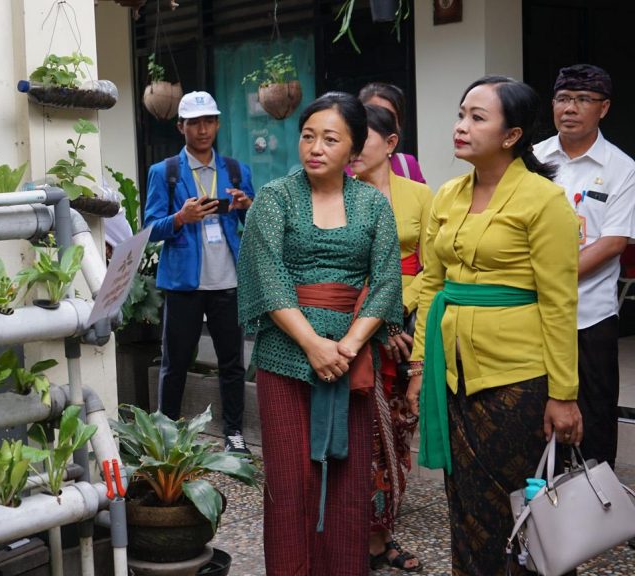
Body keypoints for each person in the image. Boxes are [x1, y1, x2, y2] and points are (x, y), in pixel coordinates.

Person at [406, 76, 582, 575]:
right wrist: (420, 363)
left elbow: (559, 303)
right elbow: (430, 286)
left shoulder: (544, 201)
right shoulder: (447, 195)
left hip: (518, 380)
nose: (461, 127)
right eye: (462, 114)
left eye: (477, 118)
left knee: (520, 503)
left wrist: (563, 394)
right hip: (454, 373)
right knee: (465, 501)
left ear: (511, 136)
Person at [237, 92, 402, 575]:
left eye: (330, 139)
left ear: (353, 149)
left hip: (350, 361)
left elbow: (387, 279)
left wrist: (349, 345)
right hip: (286, 357)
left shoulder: (372, 204)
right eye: (308, 136)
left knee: (350, 484)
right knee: (289, 485)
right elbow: (268, 277)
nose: (315, 147)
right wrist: (313, 344)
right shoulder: (274, 198)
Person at [533, 64, 635, 469]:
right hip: (534, 313)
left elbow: (612, 241)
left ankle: (596, 515)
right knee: (536, 412)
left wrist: (550, 280)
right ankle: (542, 512)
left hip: (589, 315)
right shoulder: (533, 157)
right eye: (562, 98)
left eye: (582, 99)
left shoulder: (620, 167)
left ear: (604, 108)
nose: (569, 108)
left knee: (594, 416)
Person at [143, 90, 255, 454]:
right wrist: (180, 218)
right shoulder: (166, 173)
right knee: (175, 364)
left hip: (228, 281)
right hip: (183, 284)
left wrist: (245, 204)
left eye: (209, 121)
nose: (203, 129)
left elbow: (253, 223)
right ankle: (167, 436)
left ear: (218, 124)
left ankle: (234, 434)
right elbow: (149, 229)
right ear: (181, 127)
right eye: (195, 123)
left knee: (232, 363)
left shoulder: (237, 170)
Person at [350, 104, 431, 572]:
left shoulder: (420, 196)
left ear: (391, 143)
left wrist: (397, 309)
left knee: (397, 433)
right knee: (359, 435)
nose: (354, 148)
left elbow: (432, 266)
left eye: (362, 138)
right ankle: (352, 534)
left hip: (406, 327)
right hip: (355, 325)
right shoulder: (339, 195)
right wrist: (379, 314)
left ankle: (382, 536)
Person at [358, 82, 426, 184]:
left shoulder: (407, 165)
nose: (380, 123)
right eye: (373, 114)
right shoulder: (340, 168)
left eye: (388, 117)